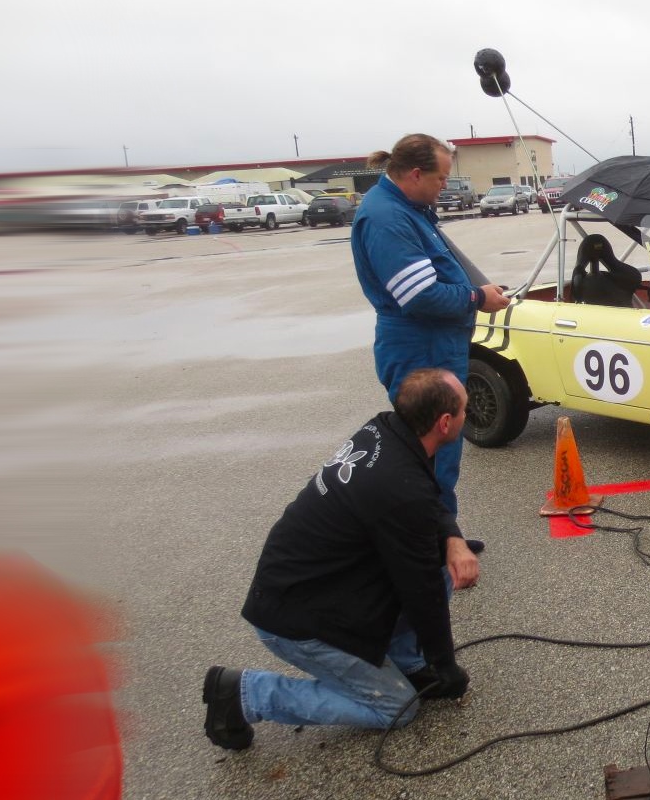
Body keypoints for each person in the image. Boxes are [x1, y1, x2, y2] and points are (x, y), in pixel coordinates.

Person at [203, 368, 481, 751]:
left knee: (440, 562)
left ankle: (406, 664)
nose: (468, 413)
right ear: (445, 423)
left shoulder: (388, 431)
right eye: (464, 408)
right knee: (396, 708)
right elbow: (422, 592)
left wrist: (453, 541)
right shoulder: (398, 485)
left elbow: (426, 501)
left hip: (316, 583)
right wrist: (445, 666)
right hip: (293, 617)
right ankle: (246, 694)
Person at [350, 134, 509, 547]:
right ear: (416, 174)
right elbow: (420, 296)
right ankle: (429, 551)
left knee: (442, 455)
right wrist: (477, 298)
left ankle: (443, 538)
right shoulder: (387, 218)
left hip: (435, 344)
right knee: (429, 456)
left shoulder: (408, 209)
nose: (445, 187)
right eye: (441, 179)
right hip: (419, 348)